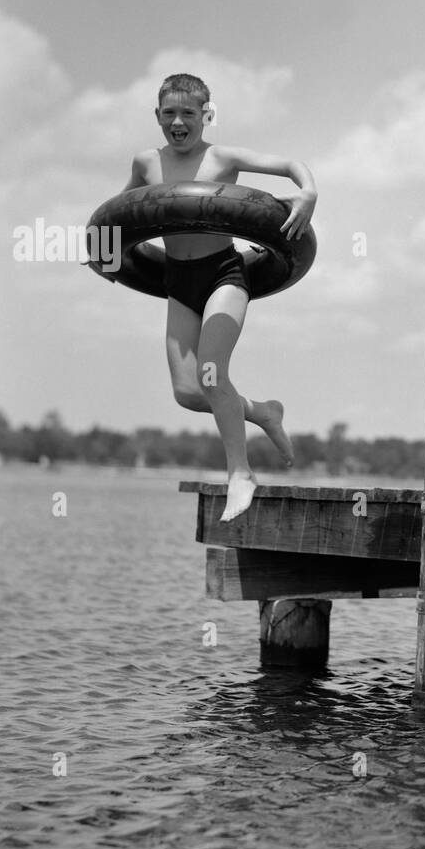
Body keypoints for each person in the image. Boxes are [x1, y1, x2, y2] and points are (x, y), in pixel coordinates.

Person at [122, 73, 317, 521]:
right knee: (188, 392)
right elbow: (121, 212)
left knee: (212, 376)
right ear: (157, 116)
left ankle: (240, 474)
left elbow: (291, 165)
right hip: (177, 281)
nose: (178, 122)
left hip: (224, 276)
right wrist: (101, 247)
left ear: (206, 115)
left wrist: (308, 193)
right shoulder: (146, 163)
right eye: (169, 113)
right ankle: (263, 412)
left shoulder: (222, 158)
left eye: (188, 113)